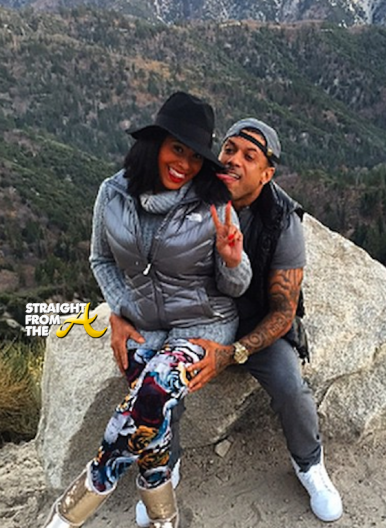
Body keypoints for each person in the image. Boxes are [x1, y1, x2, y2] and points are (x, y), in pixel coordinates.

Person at [42, 92, 252, 528]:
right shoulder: (113, 194)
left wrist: (233, 260)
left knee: (153, 393)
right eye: (177, 149)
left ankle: (81, 499)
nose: (185, 165)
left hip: (203, 324)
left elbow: (236, 286)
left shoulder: (213, 203)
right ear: (154, 144)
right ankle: (164, 516)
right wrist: (120, 309)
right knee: (148, 418)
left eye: (195, 156)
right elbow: (100, 260)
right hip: (144, 326)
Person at [123, 118, 343, 525]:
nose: (233, 160)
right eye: (229, 149)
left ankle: (309, 463)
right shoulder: (189, 191)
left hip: (252, 323)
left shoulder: (281, 220)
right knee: (160, 380)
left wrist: (233, 352)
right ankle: (164, 467)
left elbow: (283, 312)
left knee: (291, 387)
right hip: (191, 319)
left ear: (267, 173)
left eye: (249, 155)